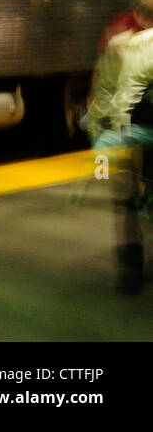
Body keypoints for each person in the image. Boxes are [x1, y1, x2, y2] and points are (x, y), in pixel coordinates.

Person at [86, 15, 153, 293]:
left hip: (128, 127)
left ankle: (131, 266)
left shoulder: (120, 40)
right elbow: (105, 83)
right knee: (132, 198)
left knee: (128, 200)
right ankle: (132, 263)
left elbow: (104, 86)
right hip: (136, 127)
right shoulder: (125, 39)